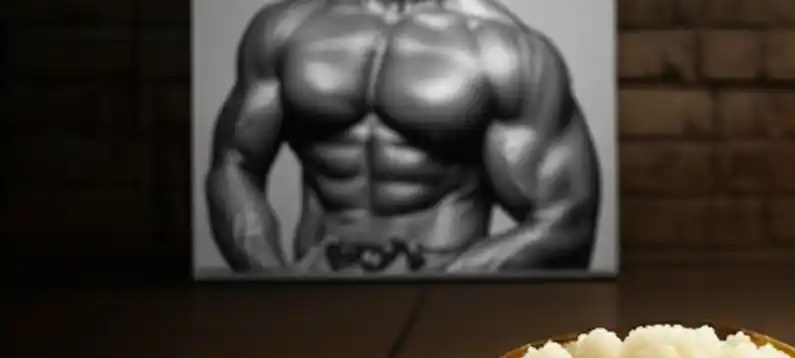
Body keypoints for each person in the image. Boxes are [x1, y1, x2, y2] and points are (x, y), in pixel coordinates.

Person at [205, 0, 602, 275]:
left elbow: (566, 217)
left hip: (446, 293)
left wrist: (454, 286)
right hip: (316, 283)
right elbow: (234, 163)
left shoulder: (501, 46)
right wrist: (270, 278)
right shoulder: (285, 29)